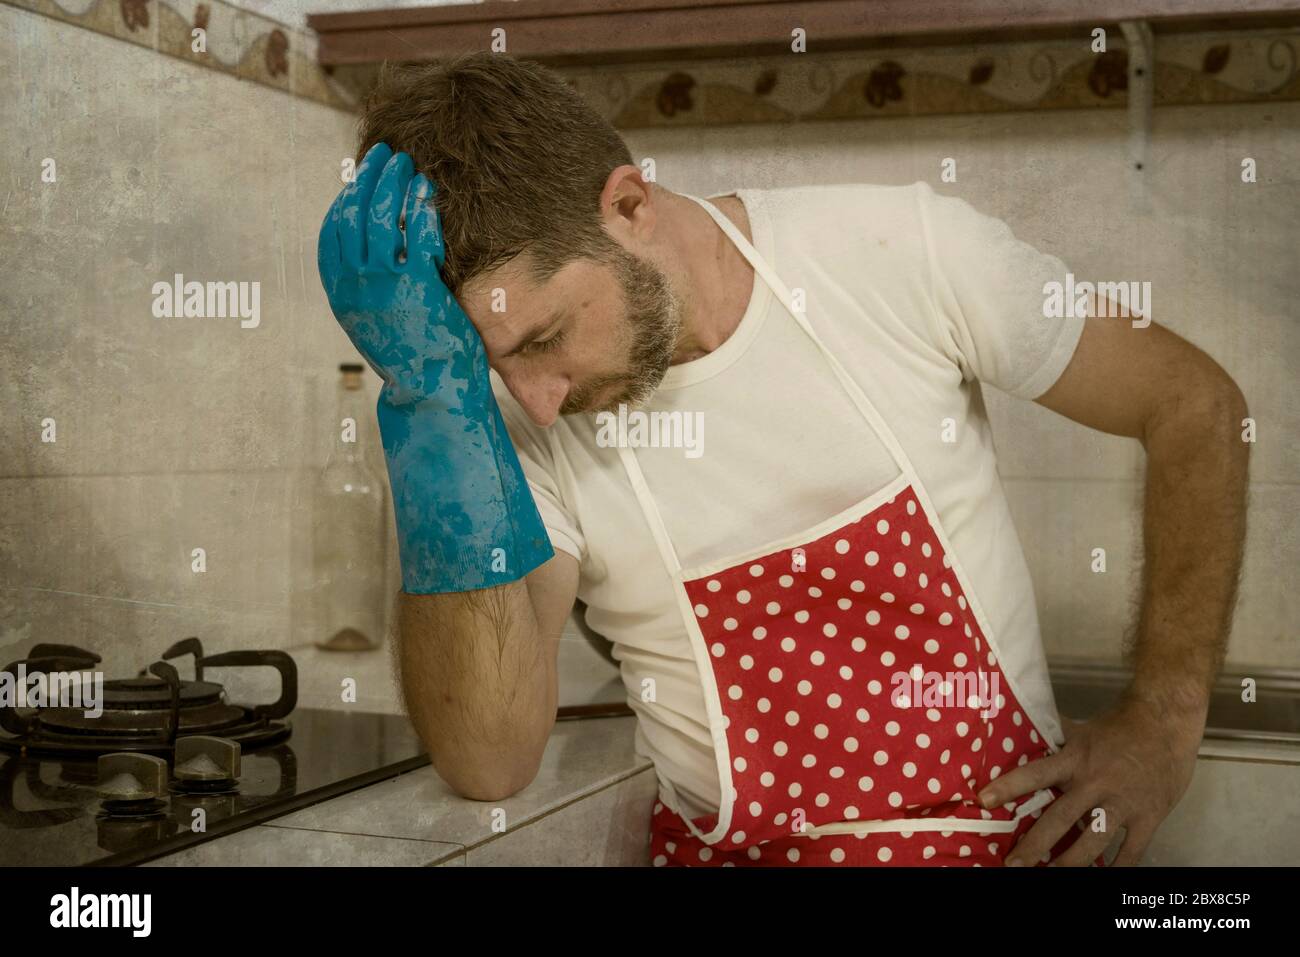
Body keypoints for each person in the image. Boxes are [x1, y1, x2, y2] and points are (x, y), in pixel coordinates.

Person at [316, 52, 1249, 867]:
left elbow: (1196, 405)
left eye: (546, 336)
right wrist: (430, 409)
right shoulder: (512, 429)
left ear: (629, 204)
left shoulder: (897, 253)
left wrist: (1164, 725)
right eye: (490, 362)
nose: (537, 397)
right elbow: (490, 760)